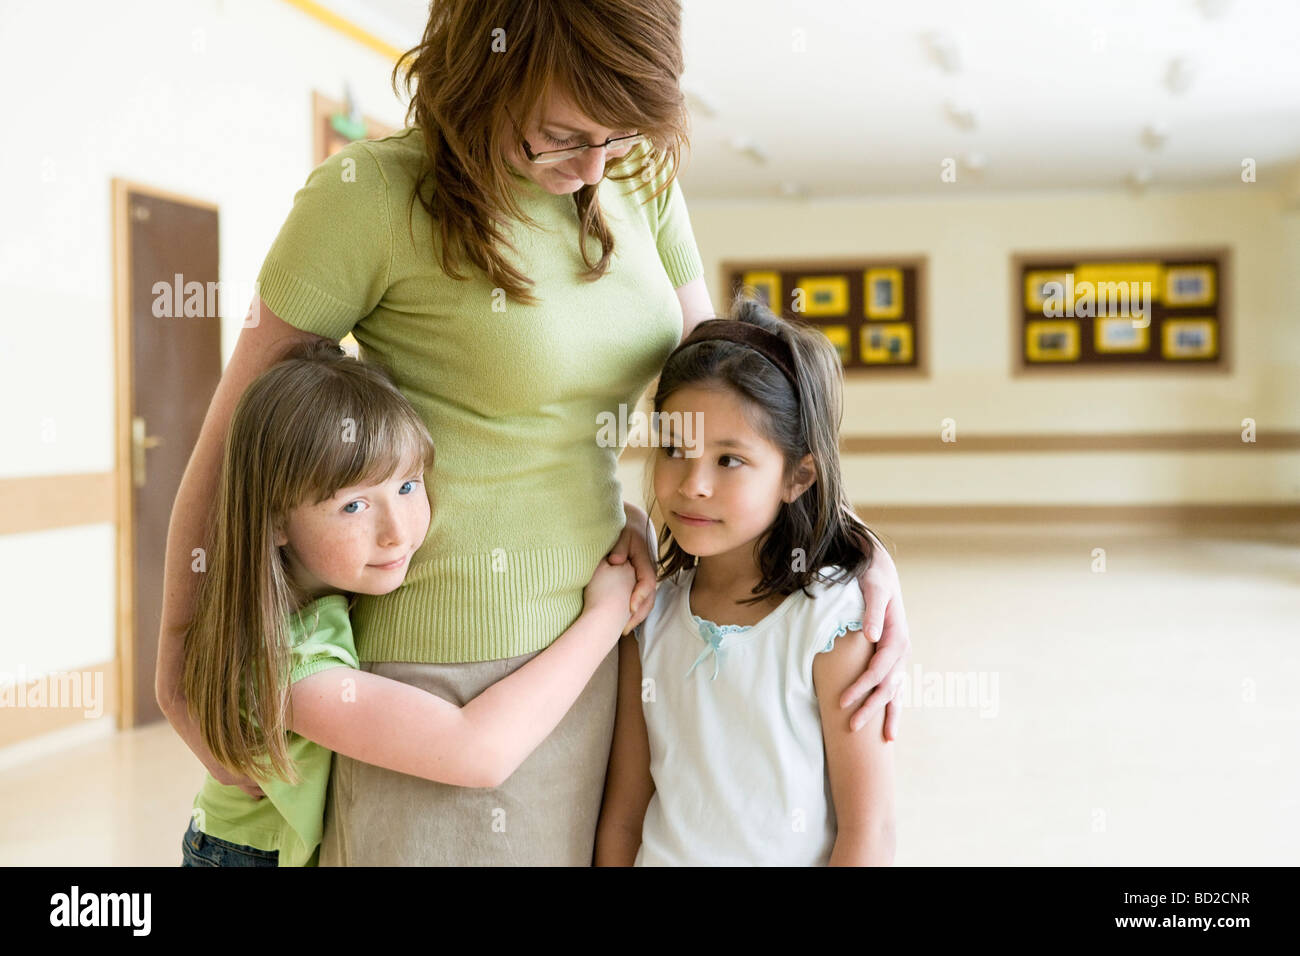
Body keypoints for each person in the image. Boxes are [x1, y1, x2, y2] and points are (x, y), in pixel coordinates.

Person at [157, 0, 910, 865]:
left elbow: (730, 385)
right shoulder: (369, 197)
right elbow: (237, 438)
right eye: (562, 135)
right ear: (487, 67)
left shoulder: (640, 182)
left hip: (601, 646)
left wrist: (850, 546)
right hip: (435, 666)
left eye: (618, 138)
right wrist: (180, 652)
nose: (593, 167)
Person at [179, 341, 634, 866]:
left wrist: (623, 519)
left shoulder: (324, 587)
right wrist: (606, 615)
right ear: (276, 521)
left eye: (408, 485)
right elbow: (478, 751)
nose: (397, 531)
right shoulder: (294, 671)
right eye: (353, 505)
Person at [595, 297, 896, 865]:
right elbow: (625, 815)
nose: (692, 484)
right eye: (674, 450)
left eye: (729, 460)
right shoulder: (646, 619)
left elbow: (870, 830)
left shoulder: (832, 623)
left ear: (797, 476)